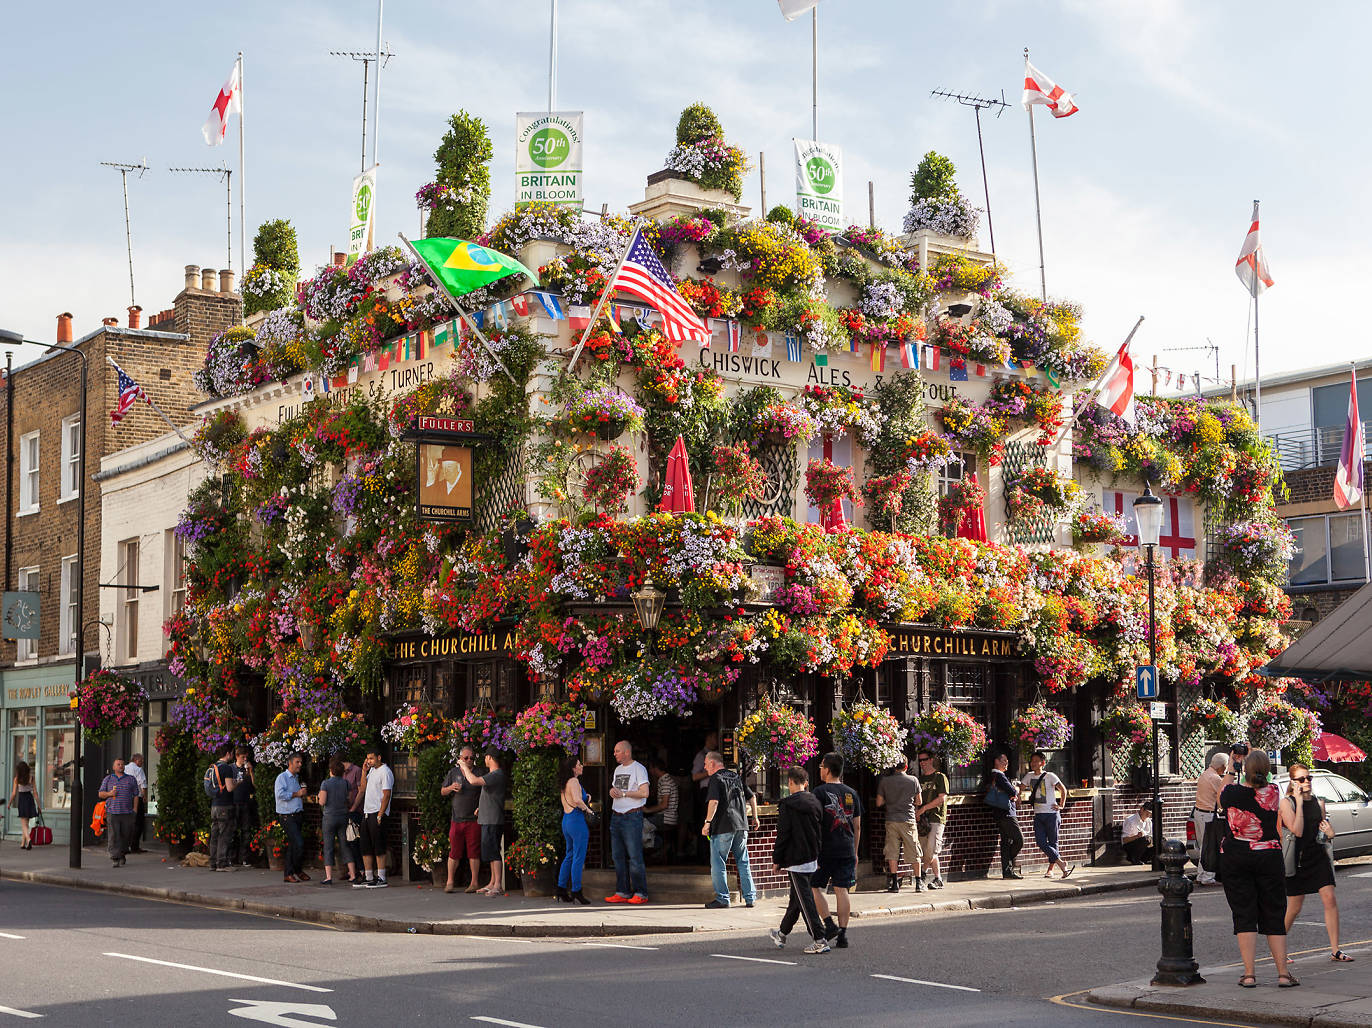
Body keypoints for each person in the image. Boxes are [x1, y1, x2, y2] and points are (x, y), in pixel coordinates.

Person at [1220, 749, 1301, 989]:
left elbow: (1220, 796)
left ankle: (1249, 975)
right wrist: (1252, 753)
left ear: (1244, 770)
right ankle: (1283, 974)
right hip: (1268, 856)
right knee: (1274, 913)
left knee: (1244, 914)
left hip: (1236, 857)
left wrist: (1232, 765)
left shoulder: (1232, 792)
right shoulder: (1274, 792)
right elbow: (1258, 773)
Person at [1282, 761, 1352, 963]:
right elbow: (1297, 831)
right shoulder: (1287, 803)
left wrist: (1330, 834)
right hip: (1297, 860)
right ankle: (1280, 947)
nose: (1307, 782)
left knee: (1330, 898)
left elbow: (1322, 833)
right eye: (1301, 779)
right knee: (1294, 907)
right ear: (1293, 782)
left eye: (1309, 778)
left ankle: (1336, 949)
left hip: (1318, 856)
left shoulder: (1319, 803)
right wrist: (1299, 800)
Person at [770, 765, 830, 955]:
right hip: (812, 856)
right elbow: (821, 831)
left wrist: (777, 859)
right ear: (806, 783)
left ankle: (819, 939)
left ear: (789, 783)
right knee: (796, 900)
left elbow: (783, 834)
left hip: (795, 858)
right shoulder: (815, 801)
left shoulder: (787, 805)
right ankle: (781, 933)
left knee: (805, 901)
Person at [812, 752, 862, 949]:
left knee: (815, 886)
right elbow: (857, 826)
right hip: (847, 848)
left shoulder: (819, 792)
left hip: (825, 849)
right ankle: (843, 935)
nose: (820, 770)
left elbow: (814, 822)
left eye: (821, 766)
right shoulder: (852, 793)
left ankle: (828, 924)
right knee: (842, 889)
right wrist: (855, 851)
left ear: (828, 769)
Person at [700, 751, 760, 909]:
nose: (705, 767)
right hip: (741, 825)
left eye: (706, 764)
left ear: (713, 763)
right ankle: (750, 898)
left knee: (718, 863)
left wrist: (707, 823)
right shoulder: (736, 777)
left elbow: (713, 801)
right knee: (743, 862)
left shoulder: (715, 778)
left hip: (723, 827)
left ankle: (722, 898)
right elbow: (752, 797)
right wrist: (755, 817)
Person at [605, 740, 650, 904]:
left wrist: (624, 795)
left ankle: (641, 893)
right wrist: (612, 791)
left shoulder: (639, 768)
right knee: (617, 856)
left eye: (617, 751)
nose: (614, 754)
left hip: (632, 816)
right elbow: (616, 789)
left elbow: (645, 792)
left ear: (627, 752)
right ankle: (622, 891)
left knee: (634, 856)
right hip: (616, 815)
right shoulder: (617, 769)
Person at [461, 747, 507, 896]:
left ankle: (498, 885)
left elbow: (474, 781)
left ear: (490, 758)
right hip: (486, 816)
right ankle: (492, 882)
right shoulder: (492, 775)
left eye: (485, 757)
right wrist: (481, 807)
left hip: (493, 818)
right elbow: (491, 795)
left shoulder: (497, 774)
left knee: (494, 852)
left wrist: (463, 766)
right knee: (489, 851)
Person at [1022, 750, 1073, 879]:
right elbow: (1020, 788)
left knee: (1053, 842)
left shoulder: (1050, 776)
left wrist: (1061, 805)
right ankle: (1061, 863)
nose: (1033, 763)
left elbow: (1063, 789)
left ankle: (1050, 870)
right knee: (1040, 842)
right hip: (1038, 814)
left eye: (1036, 761)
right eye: (1031, 761)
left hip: (1051, 814)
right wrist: (1016, 796)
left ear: (1042, 763)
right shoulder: (1028, 776)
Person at [876, 757, 923, 893]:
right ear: (906, 766)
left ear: (893, 766)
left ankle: (895, 883)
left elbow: (879, 803)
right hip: (908, 819)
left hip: (891, 819)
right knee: (914, 849)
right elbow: (919, 801)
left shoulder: (885, 781)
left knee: (892, 851)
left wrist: (890, 801)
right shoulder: (913, 780)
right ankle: (918, 882)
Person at [441, 744, 482, 894]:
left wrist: (480, 807)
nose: (469, 760)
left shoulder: (478, 772)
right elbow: (442, 791)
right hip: (456, 819)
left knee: (474, 852)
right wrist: (451, 787)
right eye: (466, 758)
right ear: (460, 759)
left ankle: (474, 882)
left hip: (473, 819)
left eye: (471, 758)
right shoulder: (454, 772)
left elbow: (485, 792)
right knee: (454, 852)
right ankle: (450, 881)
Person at [556, 755, 594, 905]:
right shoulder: (574, 781)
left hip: (567, 820)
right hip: (577, 821)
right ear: (574, 768)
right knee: (578, 856)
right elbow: (578, 800)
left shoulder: (565, 783)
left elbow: (573, 799)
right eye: (579, 764)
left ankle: (561, 888)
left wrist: (586, 798)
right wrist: (589, 811)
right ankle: (576, 890)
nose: (582, 766)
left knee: (570, 855)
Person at [356, 749, 394, 889]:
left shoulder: (385, 771)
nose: (369, 761)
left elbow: (386, 794)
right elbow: (363, 789)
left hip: (378, 813)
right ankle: (369, 875)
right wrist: (364, 772)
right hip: (367, 812)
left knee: (379, 846)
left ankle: (382, 877)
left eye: (371, 758)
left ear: (379, 757)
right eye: (368, 759)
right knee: (365, 846)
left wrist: (380, 814)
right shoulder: (371, 770)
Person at [317, 757, 356, 885]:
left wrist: (318, 798)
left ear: (331, 771)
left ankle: (328, 877)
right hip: (343, 816)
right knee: (345, 845)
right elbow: (349, 800)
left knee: (328, 847)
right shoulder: (345, 783)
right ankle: (353, 874)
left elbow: (322, 801)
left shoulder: (325, 783)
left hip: (329, 817)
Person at [914, 750, 949, 889]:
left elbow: (942, 798)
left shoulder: (940, 777)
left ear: (931, 760)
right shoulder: (919, 780)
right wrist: (917, 812)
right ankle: (938, 878)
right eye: (920, 760)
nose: (922, 763)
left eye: (924, 759)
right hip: (923, 820)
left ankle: (922, 875)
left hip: (936, 817)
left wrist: (924, 808)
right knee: (926, 851)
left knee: (931, 849)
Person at [98, 758, 140, 867]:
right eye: (118, 764)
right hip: (112, 812)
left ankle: (122, 854)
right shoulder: (108, 779)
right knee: (114, 836)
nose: (121, 766)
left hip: (127, 812)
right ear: (114, 767)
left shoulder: (131, 779)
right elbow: (100, 794)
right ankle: (115, 858)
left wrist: (135, 809)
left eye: (122, 764)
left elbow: (136, 795)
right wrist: (110, 794)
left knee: (126, 836)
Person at [1193, 752, 1228, 885]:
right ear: (1222, 766)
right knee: (1210, 846)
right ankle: (1207, 877)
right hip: (1208, 814)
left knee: (1203, 846)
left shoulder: (1205, 774)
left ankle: (1201, 875)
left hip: (1199, 812)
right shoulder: (1215, 778)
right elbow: (1223, 796)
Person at [274, 752, 309, 884]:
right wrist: (297, 794)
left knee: (294, 845)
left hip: (297, 814)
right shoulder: (282, 777)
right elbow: (280, 795)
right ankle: (291, 872)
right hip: (287, 816)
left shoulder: (296, 778)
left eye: (301, 762)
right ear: (290, 763)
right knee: (298, 843)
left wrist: (302, 794)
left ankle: (294, 871)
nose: (300, 764)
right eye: (297, 762)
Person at [989, 751, 1024, 879]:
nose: (1006, 763)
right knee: (1019, 840)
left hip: (999, 812)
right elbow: (1012, 790)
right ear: (997, 762)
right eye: (1004, 761)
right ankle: (1008, 862)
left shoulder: (995, 776)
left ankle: (1007, 871)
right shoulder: (999, 776)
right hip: (1007, 813)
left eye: (1007, 761)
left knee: (1006, 842)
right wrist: (1017, 789)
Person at [207, 744, 238, 872]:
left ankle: (213, 863)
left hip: (214, 805)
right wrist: (238, 782)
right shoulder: (227, 768)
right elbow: (230, 787)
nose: (232, 756)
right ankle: (222, 863)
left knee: (214, 835)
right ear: (228, 754)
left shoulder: (213, 767)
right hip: (225, 805)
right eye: (232, 753)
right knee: (224, 835)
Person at [643, 756, 680, 857]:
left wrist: (647, 810)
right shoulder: (664, 780)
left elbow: (664, 805)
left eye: (650, 768)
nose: (649, 771)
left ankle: (656, 848)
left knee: (641, 825)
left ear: (655, 768)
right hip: (667, 817)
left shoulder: (665, 782)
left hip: (666, 818)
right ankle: (662, 847)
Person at [231, 746, 257, 867]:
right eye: (243, 757)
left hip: (246, 802)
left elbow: (255, 785)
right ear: (237, 756)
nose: (245, 759)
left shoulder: (249, 769)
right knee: (233, 831)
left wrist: (251, 772)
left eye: (246, 757)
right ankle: (232, 857)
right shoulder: (231, 768)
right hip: (234, 802)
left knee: (246, 831)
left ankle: (244, 858)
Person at [9, 760, 41, 849]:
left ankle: (29, 840)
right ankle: (23, 844)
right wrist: (39, 805)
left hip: (22, 800)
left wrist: (9, 803)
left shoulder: (17, 779)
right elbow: (35, 793)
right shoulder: (31, 778)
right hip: (30, 799)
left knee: (23, 823)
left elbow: (14, 794)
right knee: (26, 822)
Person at [342, 756, 365, 870]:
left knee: (355, 841)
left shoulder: (356, 770)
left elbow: (361, 790)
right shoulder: (341, 773)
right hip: (345, 810)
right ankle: (352, 870)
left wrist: (354, 807)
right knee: (347, 841)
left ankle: (361, 869)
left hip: (355, 811)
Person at [125, 753, 148, 853]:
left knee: (126, 822)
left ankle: (125, 846)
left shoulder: (124, 768)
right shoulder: (138, 769)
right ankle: (134, 846)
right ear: (136, 760)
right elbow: (142, 784)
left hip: (125, 799)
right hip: (136, 798)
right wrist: (144, 796)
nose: (142, 762)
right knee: (138, 822)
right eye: (141, 760)